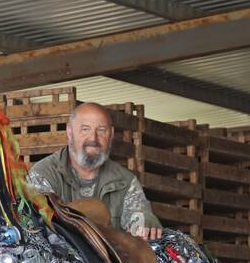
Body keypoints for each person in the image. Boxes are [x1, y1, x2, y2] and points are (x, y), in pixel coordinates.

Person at [26, 102, 163, 241]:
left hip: (111, 260)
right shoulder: (44, 175)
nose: (93, 138)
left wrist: (147, 223)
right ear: (69, 132)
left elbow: (139, 217)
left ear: (111, 134)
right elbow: (37, 229)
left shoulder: (125, 181)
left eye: (101, 130)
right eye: (85, 129)